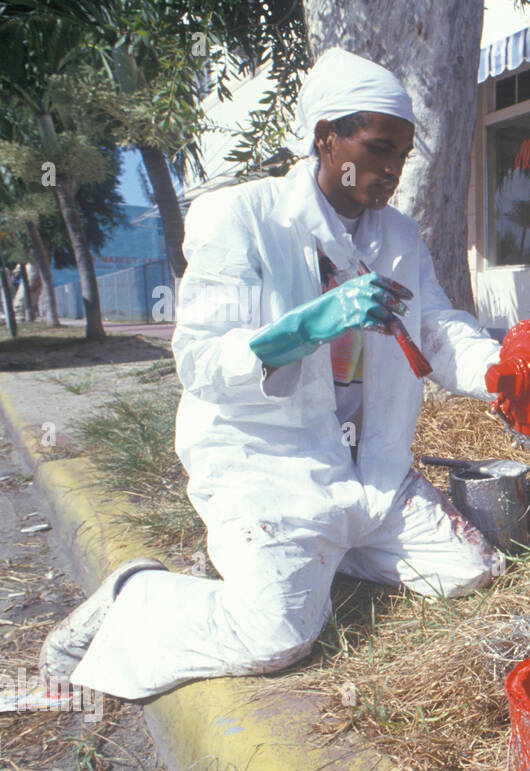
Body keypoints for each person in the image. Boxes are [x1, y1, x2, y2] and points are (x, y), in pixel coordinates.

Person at [38, 48, 504, 700]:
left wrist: (502, 370)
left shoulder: (397, 234)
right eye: (377, 150)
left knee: (467, 569)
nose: (392, 170)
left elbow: (436, 327)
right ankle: (135, 595)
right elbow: (200, 362)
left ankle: (334, 548)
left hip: (369, 474)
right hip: (270, 470)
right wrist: (308, 324)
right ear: (326, 139)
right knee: (277, 636)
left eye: (402, 154)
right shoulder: (243, 219)